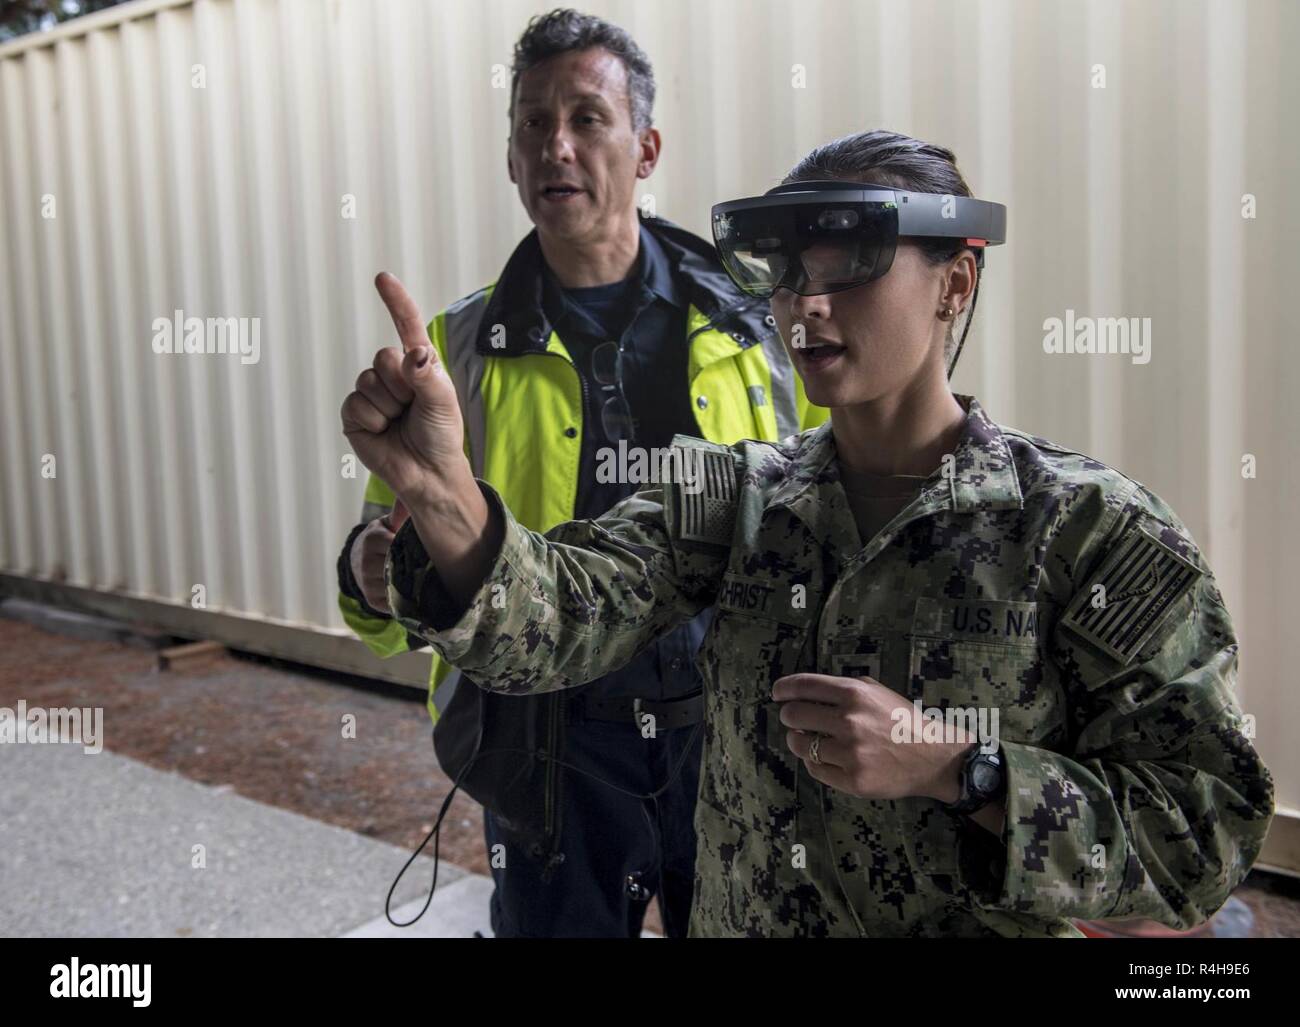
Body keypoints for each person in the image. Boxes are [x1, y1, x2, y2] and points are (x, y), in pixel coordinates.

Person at [342, 129, 1274, 937]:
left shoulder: (1087, 533)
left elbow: (1205, 835)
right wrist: (446, 490)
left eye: (852, 268)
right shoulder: (732, 499)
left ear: (956, 281)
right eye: (788, 273)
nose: (806, 305)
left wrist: (962, 767)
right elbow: (558, 615)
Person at [334, 8, 825, 938]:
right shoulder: (456, 351)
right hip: (542, 752)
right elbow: (384, 579)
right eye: (531, 123)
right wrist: (373, 568)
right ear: (512, 158)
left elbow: (842, 490)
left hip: (733, 734)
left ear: (644, 148)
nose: (556, 144)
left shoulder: (755, 321)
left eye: (587, 118)